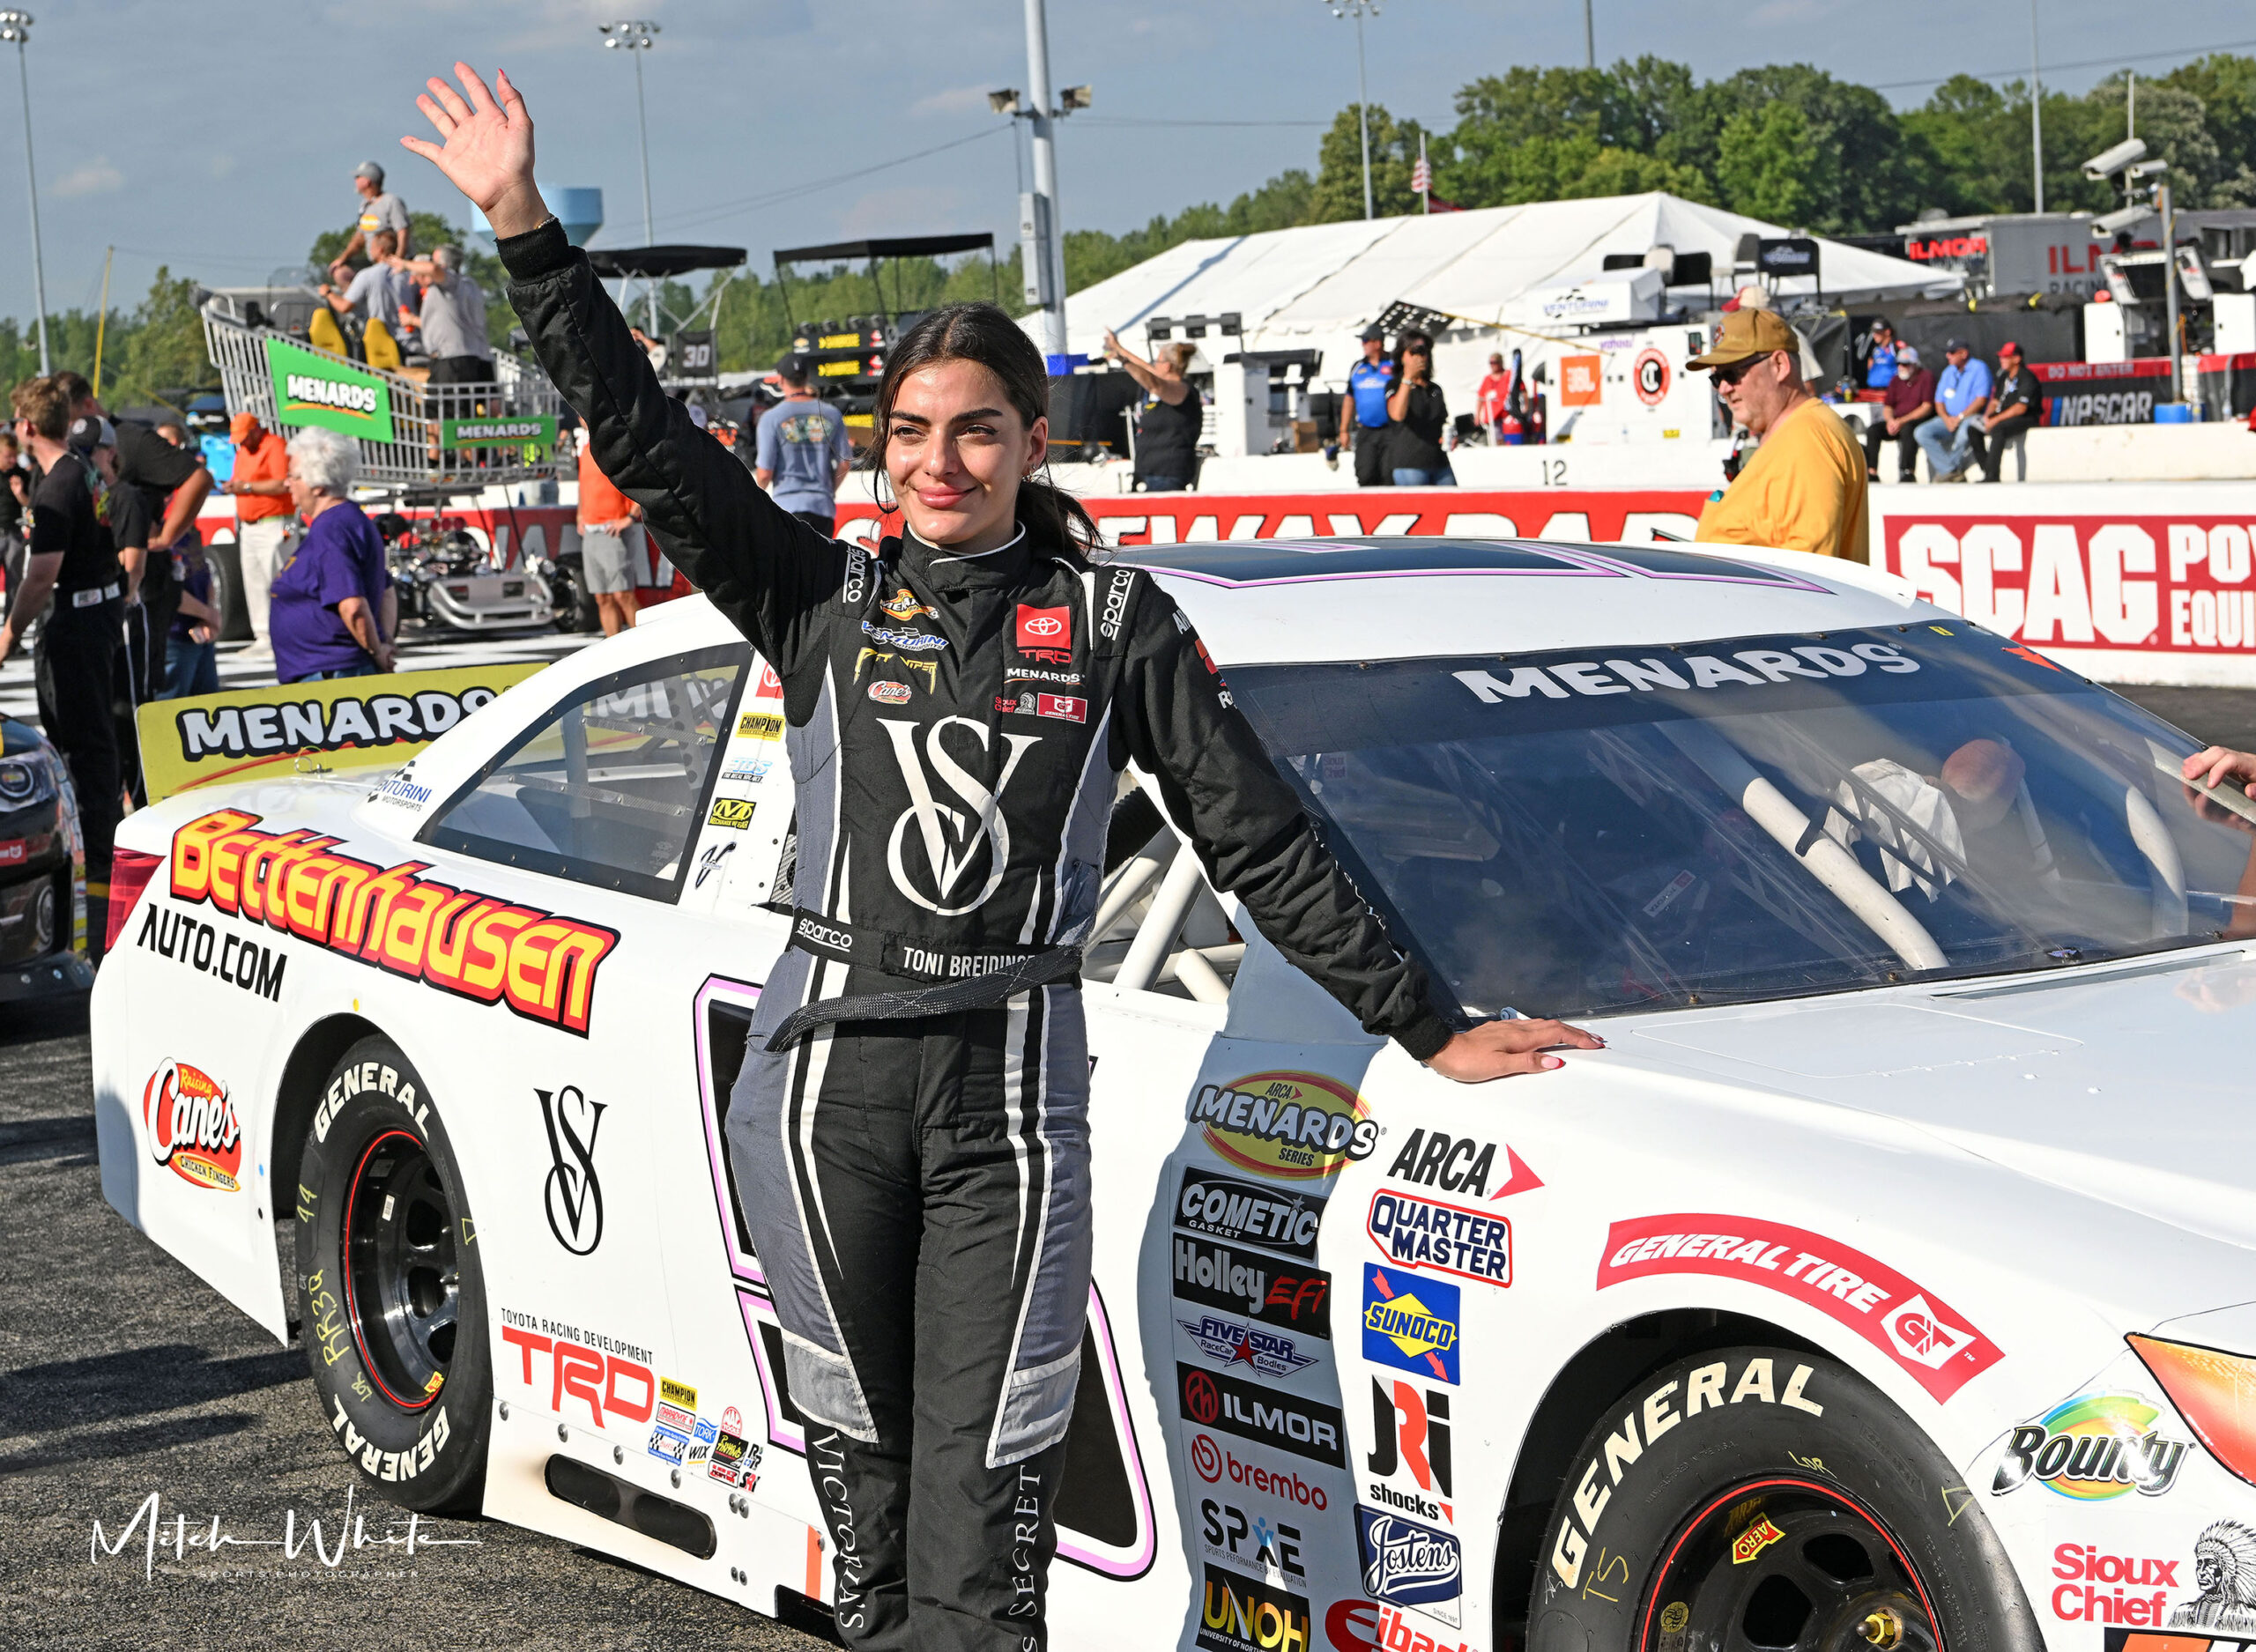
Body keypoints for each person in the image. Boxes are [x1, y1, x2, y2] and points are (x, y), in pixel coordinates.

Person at [405, 59, 1603, 1652]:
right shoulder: (818, 595)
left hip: (1011, 1100)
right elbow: (647, 435)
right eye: (911, 432)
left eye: (977, 432)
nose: (939, 462)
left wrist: (1427, 1020)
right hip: (824, 1087)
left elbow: (1258, 835)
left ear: (1038, 440)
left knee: (989, 1535)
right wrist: (527, 234)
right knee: (878, 1532)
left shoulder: (1116, 623)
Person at [0, 377, 122, 952]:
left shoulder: (57, 486)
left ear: (27, 426)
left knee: (79, 749)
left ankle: (98, 883)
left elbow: (41, 573)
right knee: (97, 744)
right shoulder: (83, 470)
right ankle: (104, 866)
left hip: (73, 626)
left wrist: (9, 629)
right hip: (97, 620)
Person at [1691, 307, 1868, 560]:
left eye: (1732, 373)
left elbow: (1809, 576)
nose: (1725, 389)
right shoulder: (1799, 433)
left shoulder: (1805, 439)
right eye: (1717, 379)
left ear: (1779, 365)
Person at [267, 426, 393, 683]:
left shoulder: (331, 528)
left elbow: (353, 606)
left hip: (332, 675)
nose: (287, 483)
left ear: (317, 484)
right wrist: (384, 640)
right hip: (334, 670)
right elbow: (387, 587)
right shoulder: (348, 519)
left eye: (293, 476)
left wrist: (378, 650)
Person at [753, 352, 855, 532]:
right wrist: (829, 492)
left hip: (787, 509)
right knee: (822, 561)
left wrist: (753, 501)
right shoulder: (832, 414)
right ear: (807, 378)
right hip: (822, 508)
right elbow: (845, 463)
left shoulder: (771, 419)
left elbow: (764, 474)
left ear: (781, 380)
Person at [226, 413, 294, 661]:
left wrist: (245, 488)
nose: (242, 443)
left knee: (276, 579)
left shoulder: (275, 445)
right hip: (250, 525)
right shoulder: (244, 451)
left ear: (256, 430)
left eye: (244, 438)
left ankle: (284, 634)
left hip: (275, 523)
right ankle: (264, 636)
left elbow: (281, 483)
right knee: (254, 582)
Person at [1100, 330, 1201, 493]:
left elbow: (1153, 383)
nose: (1154, 364)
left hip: (1167, 476)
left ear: (1167, 366)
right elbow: (1146, 370)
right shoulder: (1168, 385)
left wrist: (1123, 360)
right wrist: (1118, 348)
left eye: (1157, 361)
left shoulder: (1181, 389)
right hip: (1149, 474)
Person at [389, 244, 492, 383]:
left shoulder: (451, 283)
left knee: (448, 404)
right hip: (470, 358)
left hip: (451, 361)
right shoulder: (469, 284)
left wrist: (403, 264)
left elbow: (432, 269)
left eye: (434, 261)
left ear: (443, 265)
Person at [575, 428, 642, 636]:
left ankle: (646, 644)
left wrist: (630, 517)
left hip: (613, 531)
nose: (582, 419)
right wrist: (579, 514)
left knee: (622, 594)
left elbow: (639, 484)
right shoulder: (586, 450)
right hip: (591, 532)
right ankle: (614, 648)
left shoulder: (618, 449)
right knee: (602, 597)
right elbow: (584, 485)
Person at [1916, 337, 1992, 484]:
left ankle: (1949, 471)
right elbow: (1939, 401)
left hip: (1972, 416)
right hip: (1948, 418)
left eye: (1951, 353)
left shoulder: (1979, 368)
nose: (1947, 356)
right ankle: (1951, 470)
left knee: (1964, 433)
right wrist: (1946, 418)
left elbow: (1980, 400)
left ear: (1963, 353)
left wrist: (1960, 417)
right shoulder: (1948, 371)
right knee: (1921, 432)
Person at [1386, 331, 1454, 485]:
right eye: (1413, 352)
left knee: (1452, 506)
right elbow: (1397, 414)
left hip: (1438, 461)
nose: (1420, 357)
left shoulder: (1435, 389)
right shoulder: (1394, 385)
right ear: (1402, 356)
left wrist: (1451, 435)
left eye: (1423, 352)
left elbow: (1443, 420)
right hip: (1410, 464)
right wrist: (1408, 379)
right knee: (1417, 509)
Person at [329, 160, 412, 285]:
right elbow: (359, 237)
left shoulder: (391, 202)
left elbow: (403, 231)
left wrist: (398, 261)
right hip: (373, 261)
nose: (355, 180)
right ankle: (355, 303)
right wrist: (343, 258)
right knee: (342, 273)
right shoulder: (365, 205)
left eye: (358, 177)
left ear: (367, 181)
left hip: (389, 262)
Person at [1862, 344, 1933, 484]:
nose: (1901, 367)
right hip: (1897, 421)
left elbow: (1926, 407)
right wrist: (1890, 421)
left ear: (1914, 364)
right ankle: (1872, 471)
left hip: (1916, 420)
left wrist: (1902, 421)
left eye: (1905, 364)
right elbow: (1888, 406)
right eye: (1899, 364)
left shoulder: (1926, 377)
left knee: (1909, 429)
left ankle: (1907, 471)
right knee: (1873, 430)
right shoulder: (1896, 380)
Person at [164, 536, 222, 698]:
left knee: (209, 708)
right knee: (171, 711)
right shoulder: (155, 533)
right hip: (174, 635)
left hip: (200, 632)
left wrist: (210, 612)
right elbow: (168, 591)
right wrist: (209, 614)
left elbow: (203, 570)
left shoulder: (187, 530)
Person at [1340, 322, 1396, 487]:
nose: (1362, 344)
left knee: (1388, 474)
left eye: (1366, 340)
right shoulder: (1358, 367)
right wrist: (1344, 429)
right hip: (1366, 430)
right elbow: (1349, 398)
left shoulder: (1393, 364)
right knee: (1365, 473)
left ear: (1377, 343)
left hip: (1390, 430)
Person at [1976, 342, 2036, 483]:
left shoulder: (2026, 377)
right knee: (1973, 429)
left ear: (2017, 359)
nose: (2002, 360)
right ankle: (1988, 468)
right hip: (2004, 416)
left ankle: (1992, 475)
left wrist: (1995, 420)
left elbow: (2020, 408)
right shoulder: (2004, 376)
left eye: (2006, 357)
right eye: (2001, 357)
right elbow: (1996, 401)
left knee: (1998, 429)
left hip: (2025, 417)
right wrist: (1987, 417)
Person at [1475, 350, 1514, 442]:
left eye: (1495, 362)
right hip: (1493, 418)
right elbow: (1480, 398)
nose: (1492, 365)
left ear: (1500, 362)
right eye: (1491, 363)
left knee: (1509, 441)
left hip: (1507, 416)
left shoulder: (1508, 375)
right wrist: (1477, 416)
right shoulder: (1487, 379)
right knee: (1497, 441)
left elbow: (1521, 390)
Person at [1862, 321, 1898, 391]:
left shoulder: (1895, 347)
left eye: (1878, 332)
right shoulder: (1875, 349)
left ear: (1887, 332)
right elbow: (1870, 366)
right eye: (1874, 332)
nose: (1874, 335)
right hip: (1872, 388)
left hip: (1888, 389)